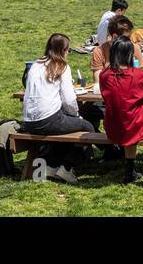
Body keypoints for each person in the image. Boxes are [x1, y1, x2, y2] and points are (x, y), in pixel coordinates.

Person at [20, 33, 93, 184]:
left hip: (28, 121)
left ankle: (52, 165)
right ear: (62, 50)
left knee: (66, 126)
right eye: (68, 50)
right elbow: (69, 100)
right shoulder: (62, 66)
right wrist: (76, 115)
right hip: (48, 120)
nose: (68, 53)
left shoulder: (36, 65)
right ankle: (67, 168)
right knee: (87, 128)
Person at [98, 36, 143, 183]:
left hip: (113, 125)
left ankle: (128, 166)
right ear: (130, 54)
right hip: (136, 125)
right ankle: (132, 167)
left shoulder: (104, 75)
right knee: (139, 116)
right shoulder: (139, 75)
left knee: (127, 118)